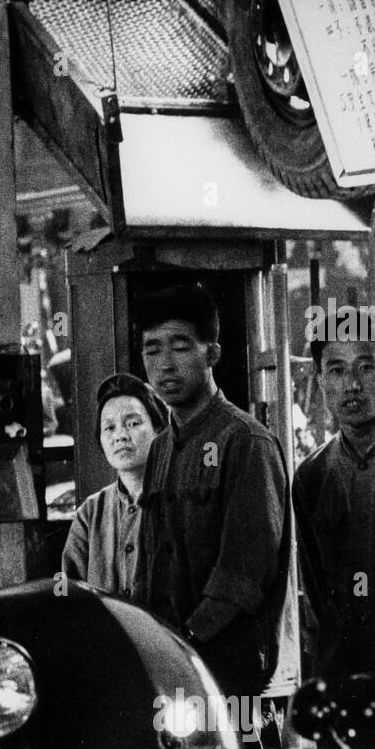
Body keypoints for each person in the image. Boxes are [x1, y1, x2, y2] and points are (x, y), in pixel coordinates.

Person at [130, 284, 290, 711]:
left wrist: (187, 640)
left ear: (212, 354)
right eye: (152, 350)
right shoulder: (162, 447)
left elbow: (246, 571)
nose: (164, 364)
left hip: (227, 669)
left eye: (180, 347)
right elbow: (148, 563)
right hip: (170, 665)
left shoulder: (246, 441)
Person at [292, 314, 375, 743]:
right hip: (342, 675)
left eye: (366, 366)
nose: (352, 384)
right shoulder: (311, 476)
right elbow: (317, 590)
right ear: (319, 379)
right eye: (336, 369)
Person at [61, 373, 166, 594]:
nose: (120, 436)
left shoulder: (182, 503)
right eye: (109, 428)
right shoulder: (89, 513)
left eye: (133, 423)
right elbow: (68, 595)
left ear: (159, 430)